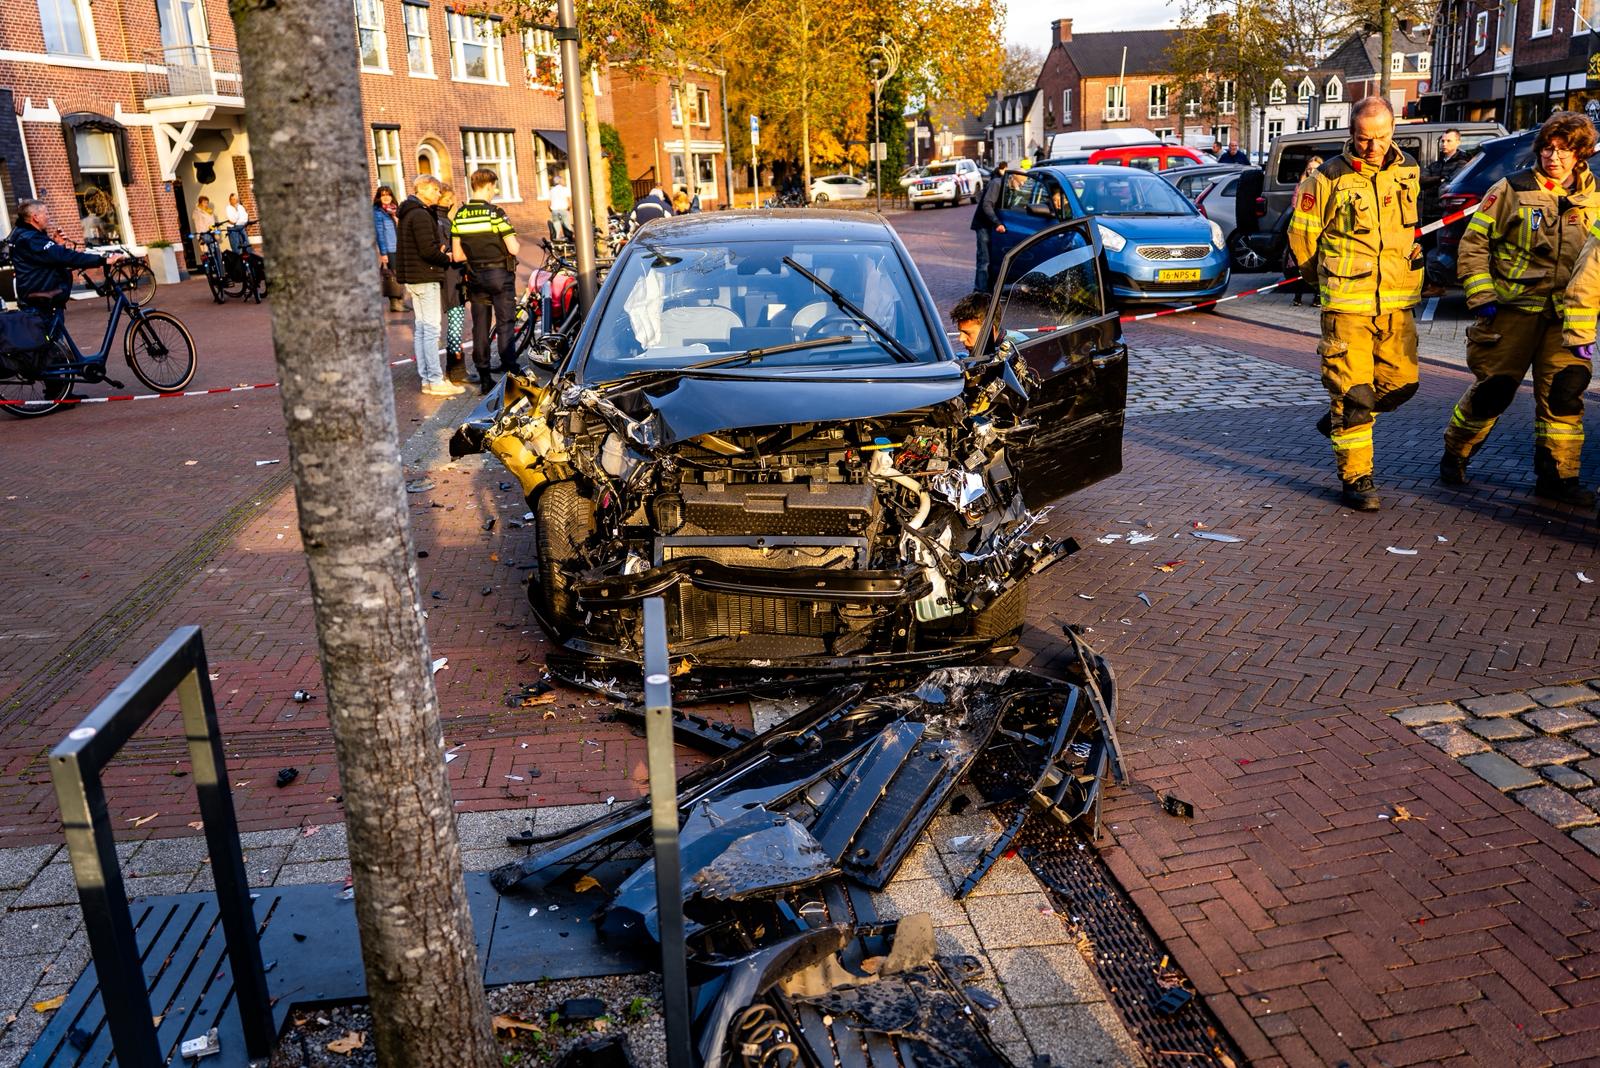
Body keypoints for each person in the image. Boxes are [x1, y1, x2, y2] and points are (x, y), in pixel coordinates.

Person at [1447, 113, 1599, 505]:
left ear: (1581, 154)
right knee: (1492, 393)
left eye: (1563, 151)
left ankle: (1558, 478)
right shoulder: (1511, 190)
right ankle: (1456, 452)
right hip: (1512, 313)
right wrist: (1482, 296)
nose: (1553, 157)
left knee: (1565, 395)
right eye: (1548, 148)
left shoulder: (1594, 197)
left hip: (1565, 320)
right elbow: (1474, 244)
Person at [1288, 95, 1423, 512]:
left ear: (1393, 130)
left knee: (1404, 384)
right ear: (1352, 134)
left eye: (1381, 137)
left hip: (1396, 303)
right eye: (1365, 138)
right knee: (1356, 393)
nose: (1373, 147)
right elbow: (1302, 237)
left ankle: (1338, 421)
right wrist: (1323, 281)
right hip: (1346, 305)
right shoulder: (1327, 178)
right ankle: (1357, 478)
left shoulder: (1409, 171)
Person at [451, 168, 522, 393]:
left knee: (480, 326)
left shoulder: (460, 215)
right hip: (500, 275)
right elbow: (514, 247)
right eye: (494, 187)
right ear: (489, 186)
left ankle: (484, 376)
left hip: (475, 277)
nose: (495, 192)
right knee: (505, 323)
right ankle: (510, 368)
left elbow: (458, 255)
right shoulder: (496, 214)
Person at [393, 175, 463, 397]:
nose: (438, 194)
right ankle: (434, 378)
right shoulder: (421, 214)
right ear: (422, 189)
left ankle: (427, 378)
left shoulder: (407, 213)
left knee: (422, 329)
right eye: (434, 190)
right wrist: (447, 256)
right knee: (431, 330)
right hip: (426, 275)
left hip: (414, 277)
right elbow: (428, 250)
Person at [1420, 128, 1468, 297]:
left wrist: (1438, 182)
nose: (1444, 144)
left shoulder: (1462, 164)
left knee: (1439, 249)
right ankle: (1429, 282)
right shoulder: (1436, 164)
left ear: (1458, 142)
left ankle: (1437, 284)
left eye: (1449, 141)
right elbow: (1422, 180)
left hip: (1446, 214)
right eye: (1443, 141)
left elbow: (1449, 187)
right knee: (1426, 248)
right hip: (1429, 212)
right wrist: (1439, 180)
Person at [435, 183, 469, 383]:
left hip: (451, 275)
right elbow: (446, 251)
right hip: (451, 276)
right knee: (455, 320)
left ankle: (456, 367)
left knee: (456, 320)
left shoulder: (442, 220)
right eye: (449, 200)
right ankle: (456, 370)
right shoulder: (442, 222)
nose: (451, 203)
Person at [1290, 156, 1324, 307]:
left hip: (1319, 232)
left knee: (1318, 265)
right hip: (1302, 232)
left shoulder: (1324, 185)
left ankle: (1317, 296)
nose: (1311, 171)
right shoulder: (1301, 185)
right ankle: (1298, 296)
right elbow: (1295, 204)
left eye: (1315, 168)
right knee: (1302, 264)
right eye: (1309, 168)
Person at [970, 161, 1008, 293]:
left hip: (990, 225)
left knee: (990, 259)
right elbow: (987, 204)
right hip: (983, 225)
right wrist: (997, 222)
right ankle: (980, 291)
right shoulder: (997, 183)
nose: (1020, 186)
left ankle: (988, 289)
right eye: (1020, 183)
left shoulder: (1005, 185)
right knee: (984, 260)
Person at [373, 185, 403, 312]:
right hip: (390, 247)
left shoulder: (395, 210)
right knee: (392, 275)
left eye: (388, 194)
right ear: (379, 198)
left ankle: (399, 301)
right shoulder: (378, 212)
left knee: (399, 274)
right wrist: (383, 253)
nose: (386, 197)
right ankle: (394, 303)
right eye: (383, 195)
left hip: (399, 246)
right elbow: (379, 233)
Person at [546, 174, 572, 243]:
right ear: (560, 181)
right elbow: (569, 200)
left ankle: (557, 242)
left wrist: (551, 210)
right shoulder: (565, 189)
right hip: (564, 209)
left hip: (555, 210)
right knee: (567, 226)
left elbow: (549, 203)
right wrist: (569, 208)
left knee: (556, 227)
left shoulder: (551, 190)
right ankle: (568, 241)